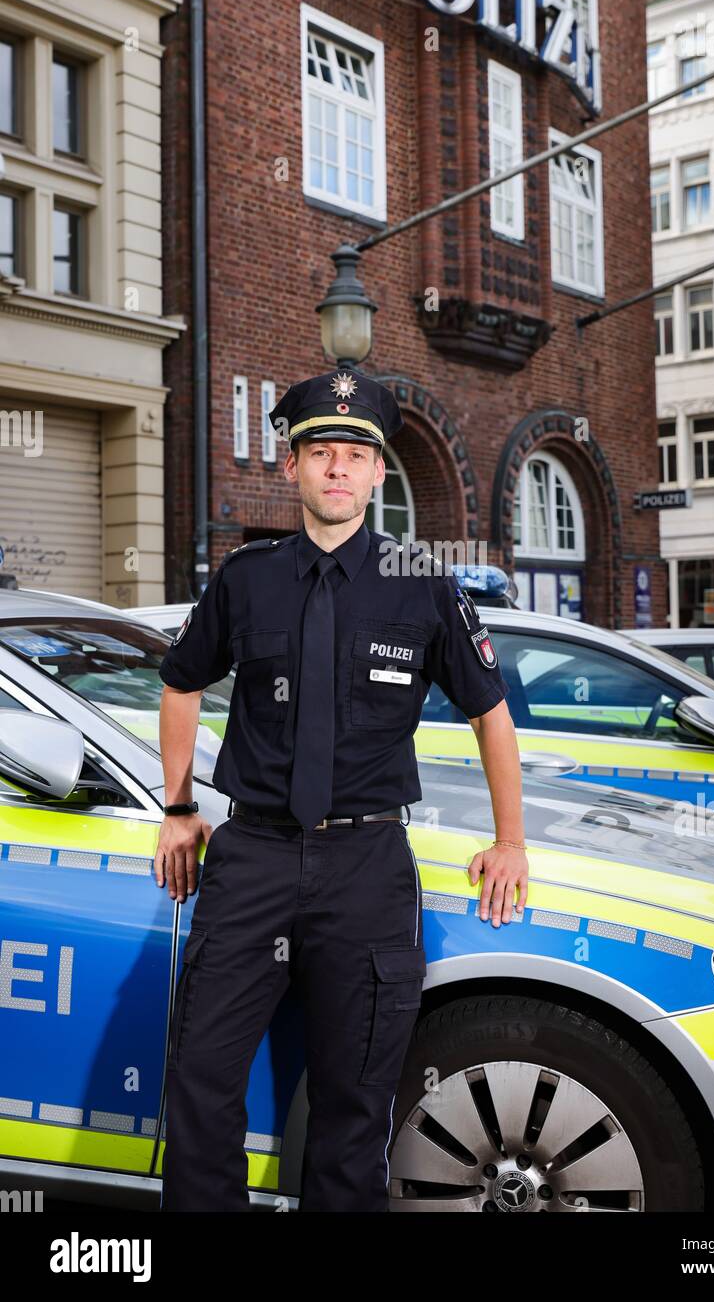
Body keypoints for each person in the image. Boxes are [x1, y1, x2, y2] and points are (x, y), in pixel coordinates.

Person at [154, 366, 528, 1212]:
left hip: (365, 865)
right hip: (250, 856)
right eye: (320, 451)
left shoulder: (424, 583)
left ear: (377, 473)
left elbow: (491, 714)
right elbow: (179, 682)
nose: (336, 468)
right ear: (291, 467)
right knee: (202, 1079)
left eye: (354, 455)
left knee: (356, 1102)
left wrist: (511, 838)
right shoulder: (246, 578)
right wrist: (178, 808)